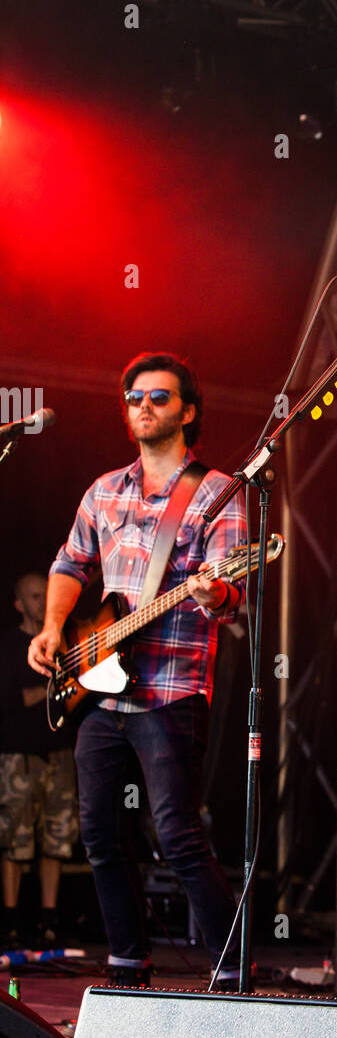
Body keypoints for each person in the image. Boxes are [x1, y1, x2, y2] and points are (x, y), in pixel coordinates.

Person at [28, 353, 246, 990]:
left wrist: (214, 594)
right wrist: (51, 628)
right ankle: (127, 964)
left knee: (178, 834)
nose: (143, 406)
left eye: (158, 396)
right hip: (99, 690)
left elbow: (230, 597)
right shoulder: (103, 490)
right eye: (133, 398)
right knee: (99, 833)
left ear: (188, 410)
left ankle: (231, 970)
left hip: (172, 692)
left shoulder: (214, 492)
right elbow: (70, 566)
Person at [0, 573, 78, 950]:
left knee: (57, 838)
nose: (41, 600)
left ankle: (49, 921)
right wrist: (52, 689)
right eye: (33, 596)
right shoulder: (10, 646)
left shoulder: (63, 643)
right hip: (19, 755)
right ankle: (12, 921)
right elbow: (12, 699)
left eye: (45, 595)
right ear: (19, 603)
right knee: (16, 838)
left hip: (58, 752)